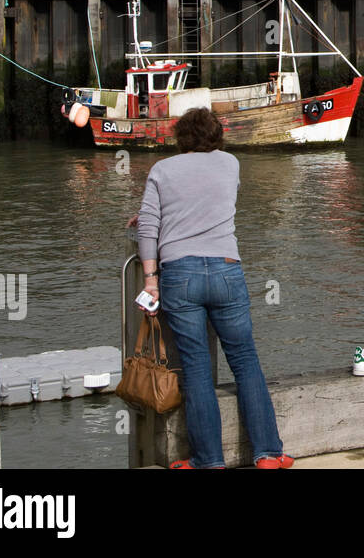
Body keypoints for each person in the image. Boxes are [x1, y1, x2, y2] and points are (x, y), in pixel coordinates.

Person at [130, 108, 292, 469]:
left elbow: (148, 232)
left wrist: (151, 280)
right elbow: (207, 202)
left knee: (196, 368)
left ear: (181, 137)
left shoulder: (162, 171)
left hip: (180, 276)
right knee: (246, 360)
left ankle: (209, 461)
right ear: (217, 136)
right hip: (226, 271)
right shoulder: (230, 164)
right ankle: (268, 453)